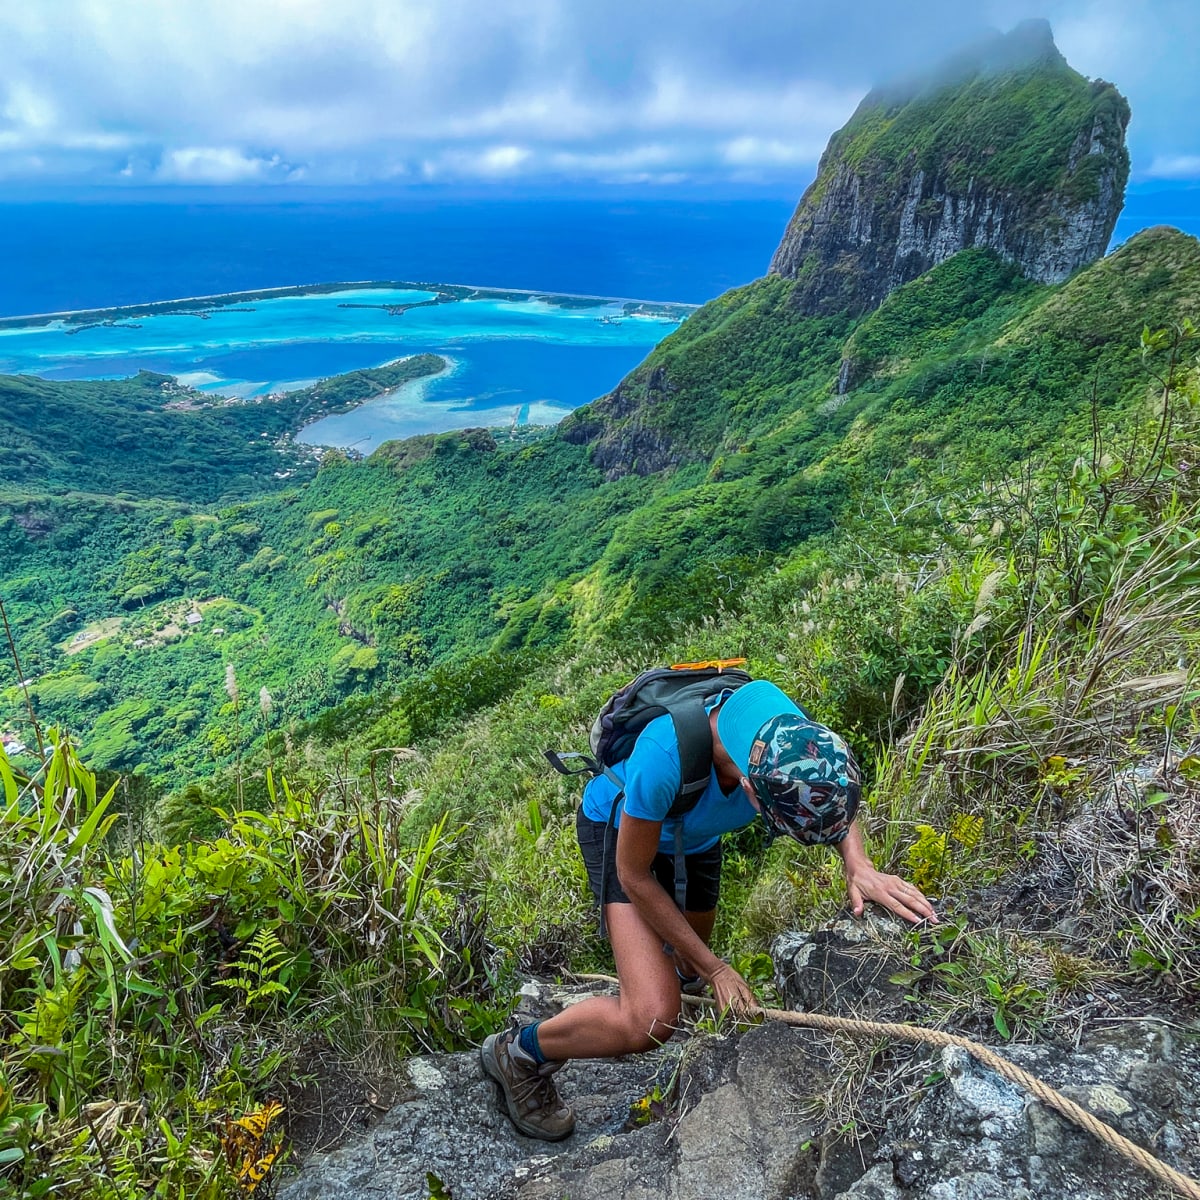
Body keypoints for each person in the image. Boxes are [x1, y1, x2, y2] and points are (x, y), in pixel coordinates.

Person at [480, 679, 938, 1141]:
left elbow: (827, 786)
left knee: (687, 966)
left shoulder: (786, 735)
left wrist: (859, 866)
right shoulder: (665, 756)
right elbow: (634, 875)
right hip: (623, 838)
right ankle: (519, 1053)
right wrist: (719, 969)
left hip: (695, 837)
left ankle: (677, 986)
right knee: (653, 1019)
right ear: (750, 792)